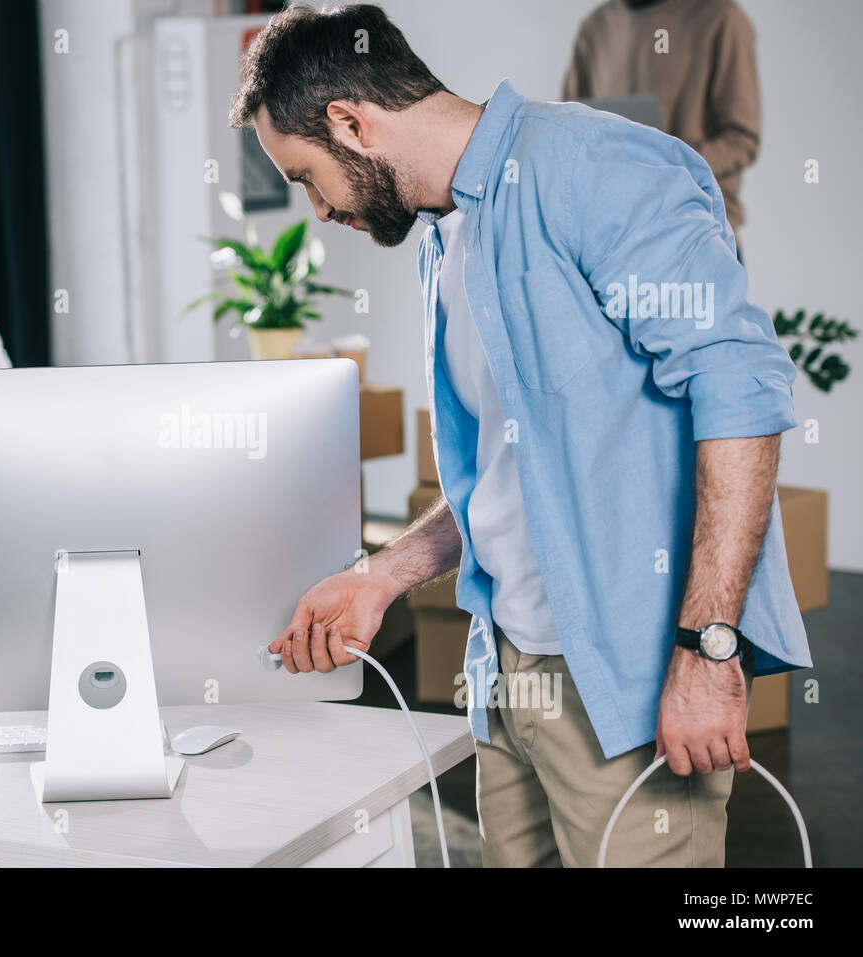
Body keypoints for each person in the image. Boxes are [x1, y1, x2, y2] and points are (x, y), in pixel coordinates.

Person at [231, 4, 809, 866]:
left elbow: (743, 392)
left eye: (310, 177)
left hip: (630, 679)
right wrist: (382, 572)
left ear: (352, 123)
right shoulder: (443, 237)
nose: (317, 210)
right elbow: (516, 467)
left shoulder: (596, 166)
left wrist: (708, 648)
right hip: (506, 676)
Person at [563, 0, 760, 253]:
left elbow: (741, 139)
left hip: (698, 241)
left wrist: (671, 169)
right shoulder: (595, 27)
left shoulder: (721, 18)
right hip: (612, 247)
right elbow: (570, 131)